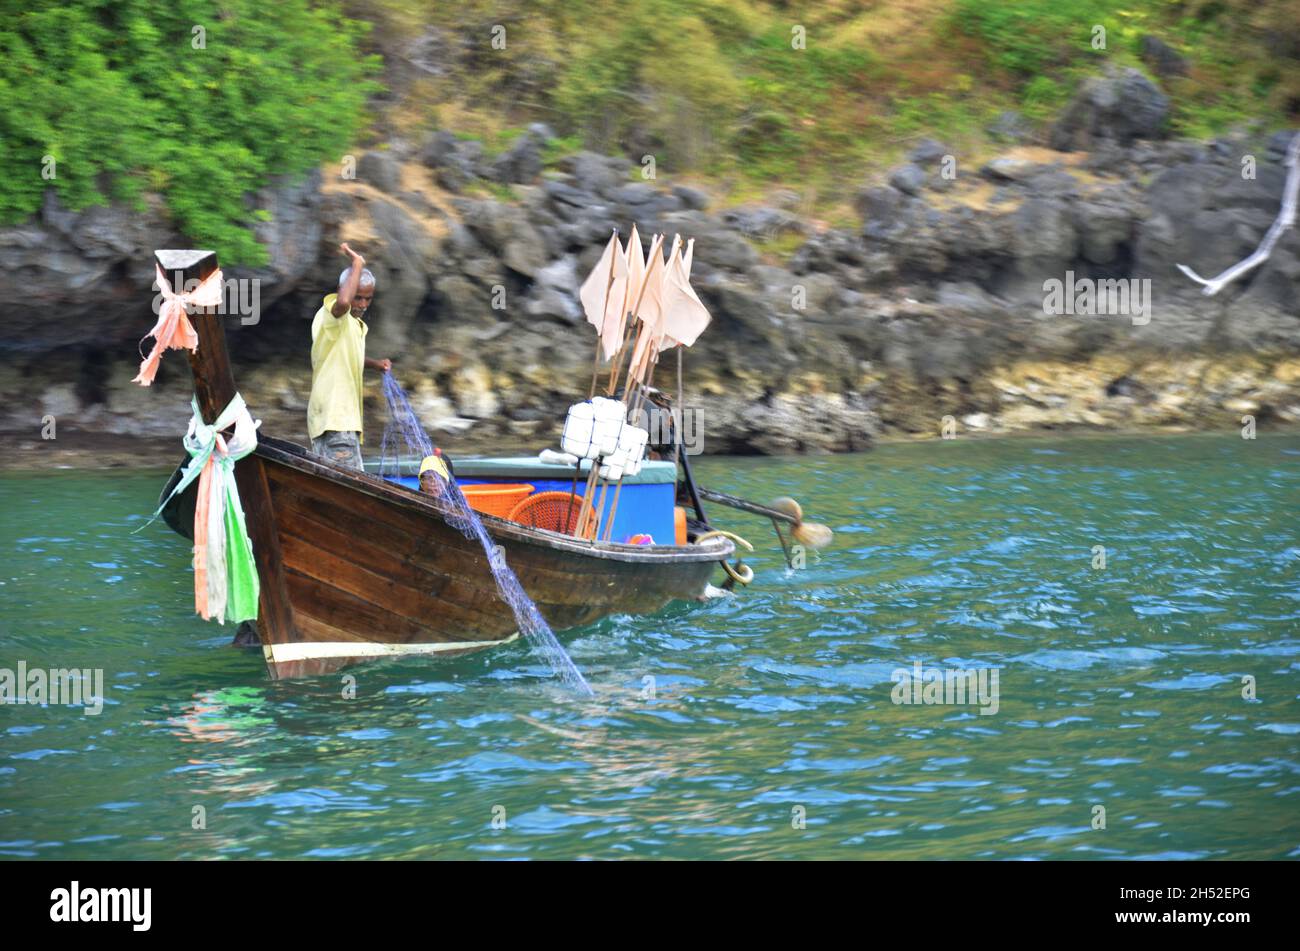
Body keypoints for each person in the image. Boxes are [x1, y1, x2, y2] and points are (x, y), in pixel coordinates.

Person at [307, 243, 392, 470]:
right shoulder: (334, 316)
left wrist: (375, 364)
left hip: (335, 421)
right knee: (351, 491)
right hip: (337, 420)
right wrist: (357, 263)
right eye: (358, 297)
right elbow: (343, 302)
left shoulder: (353, 325)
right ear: (344, 289)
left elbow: (347, 357)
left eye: (368, 299)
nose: (363, 305)